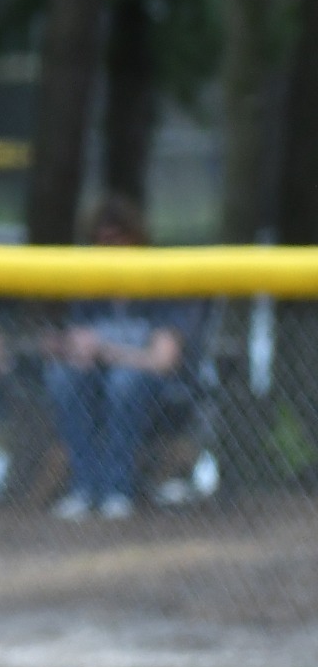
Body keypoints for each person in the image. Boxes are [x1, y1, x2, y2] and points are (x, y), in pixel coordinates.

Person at [42, 194, 195, 522]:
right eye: (100, 242)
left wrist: (107, 351)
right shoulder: (91, 287)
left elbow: (163, 360)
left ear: (136, 240)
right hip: (98, 380)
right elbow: (79, 342)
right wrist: (66, 348)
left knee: (124, 383)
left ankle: (117, 490)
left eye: (116, 240)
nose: (108, 249)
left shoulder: (160, 282)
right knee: (64, 377)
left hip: (153, 386)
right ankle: (84, 488)